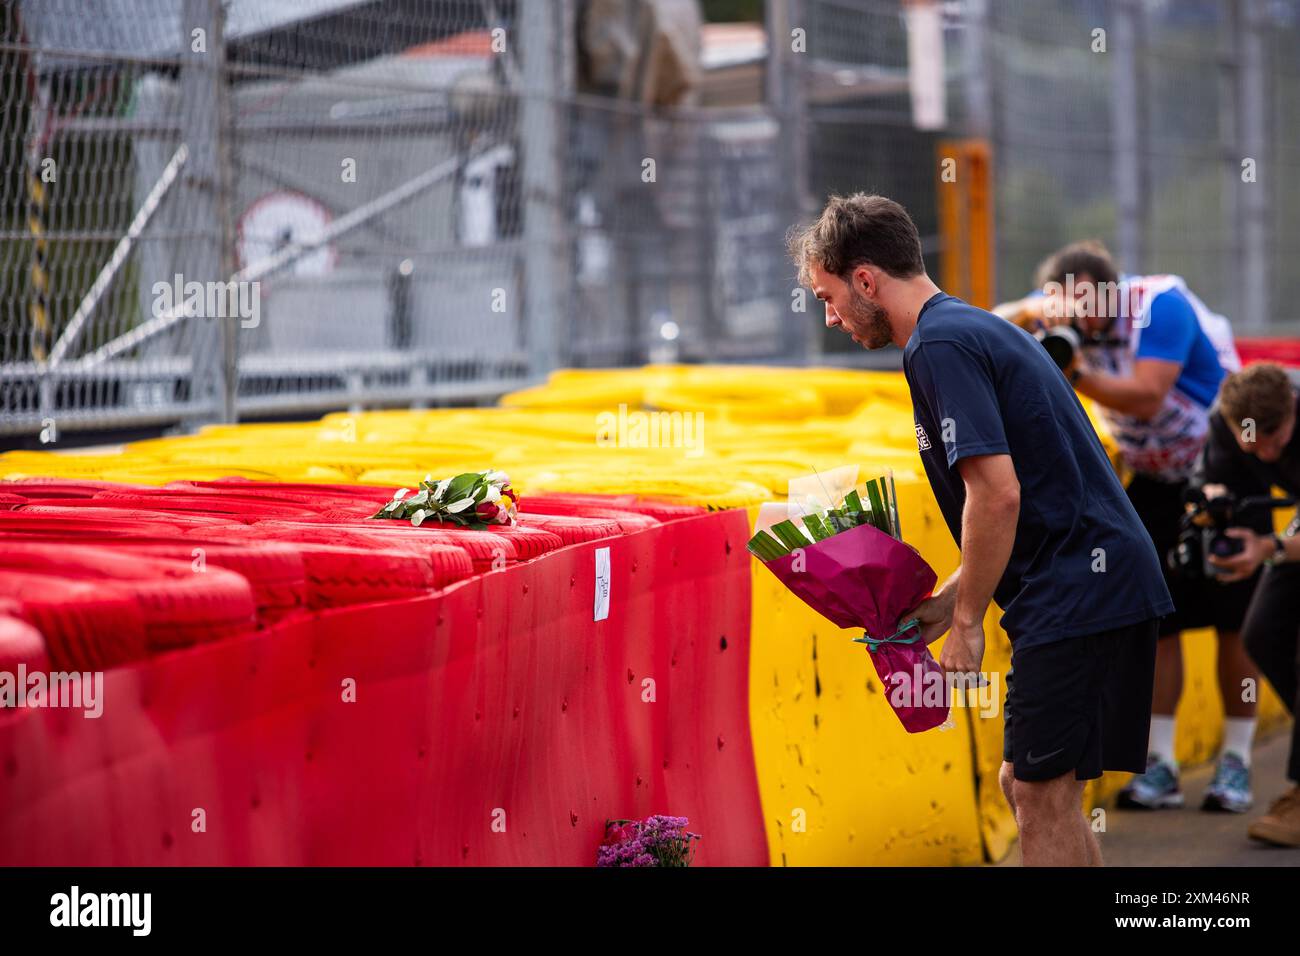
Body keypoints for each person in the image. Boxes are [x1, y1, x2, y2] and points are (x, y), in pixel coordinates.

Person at [787, 194, 1173, 866]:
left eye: (829, 295)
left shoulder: (939, 346)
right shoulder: (967, 330)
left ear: (867, 281)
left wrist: (968, 621)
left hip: (1081, 590)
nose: (831, 315)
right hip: (1093, 582)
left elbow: (996, 496)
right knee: (1033, 787)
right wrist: (944, 605)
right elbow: (1034, 499)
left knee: (1036, 793)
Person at [999, 241, 1256, 814]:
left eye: (1087, 309)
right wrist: (1027, 318)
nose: (1080, 322)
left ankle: (1235, 763)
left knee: (1232, 624)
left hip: (1219, 474)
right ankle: (1161, 763)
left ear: (1110, 292)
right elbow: (990, 324)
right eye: (1067, 310)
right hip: (1150, 479)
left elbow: (1146, 395)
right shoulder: (1058, 310)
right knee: (1156, 621)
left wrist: (1067, 367)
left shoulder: (1159, 305)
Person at [1194, 362, 1300, 845]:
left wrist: (1272, 549)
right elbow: (1218, 489)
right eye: (1252, 444)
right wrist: (1213, 509)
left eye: (1275, 445)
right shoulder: (1225, 420)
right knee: (1262, 633)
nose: (1264, 454)